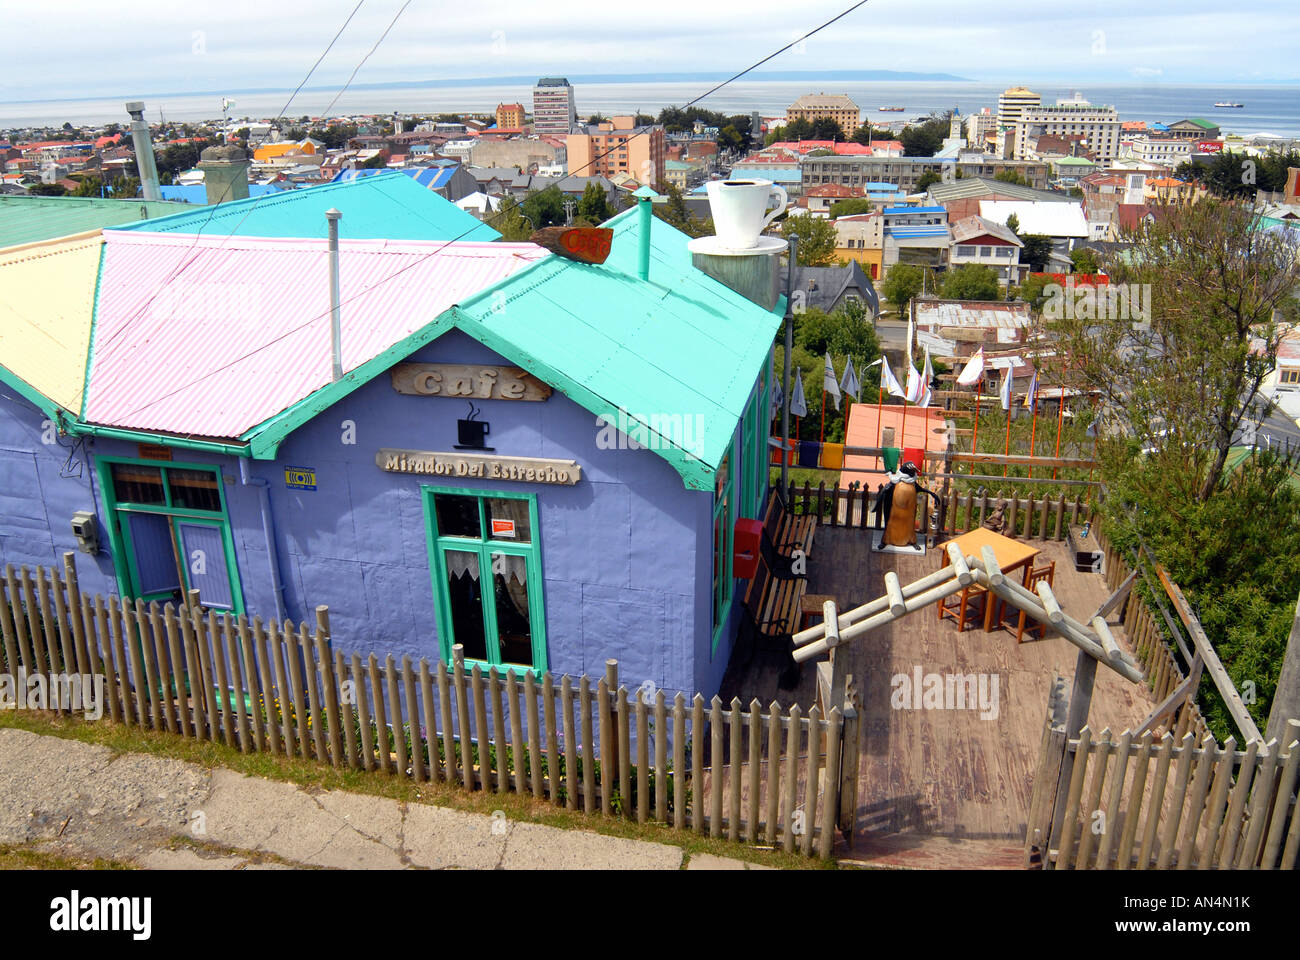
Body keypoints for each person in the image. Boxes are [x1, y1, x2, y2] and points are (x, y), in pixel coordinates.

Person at [875, 460, 934, 548]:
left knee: (910, 524)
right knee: (892, 524)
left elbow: (922, 489)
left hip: (908, 516)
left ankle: (912, 540)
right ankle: (886, 540)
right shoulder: (896, 483)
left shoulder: (912, 484)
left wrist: (933, 495)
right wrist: (877, 504)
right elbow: (884, 492)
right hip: (895, 514)